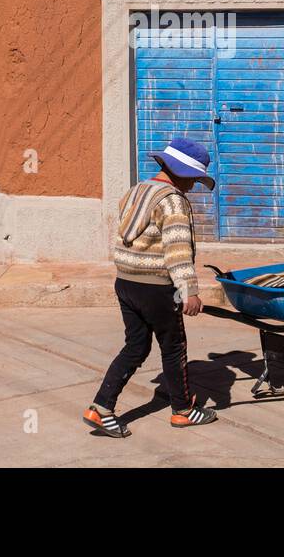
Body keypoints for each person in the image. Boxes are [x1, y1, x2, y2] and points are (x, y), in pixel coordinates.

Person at [84, 136, 219, 438]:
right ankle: (183, 411)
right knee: (174, 349)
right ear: (181, 173)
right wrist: (189, 291)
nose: (194, 186)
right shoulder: (173, 201)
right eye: (194, 179)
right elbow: (178, 249)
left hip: (126, 282)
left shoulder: (136, 191)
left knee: (135, 347)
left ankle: (101, 407)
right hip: (157, 287)